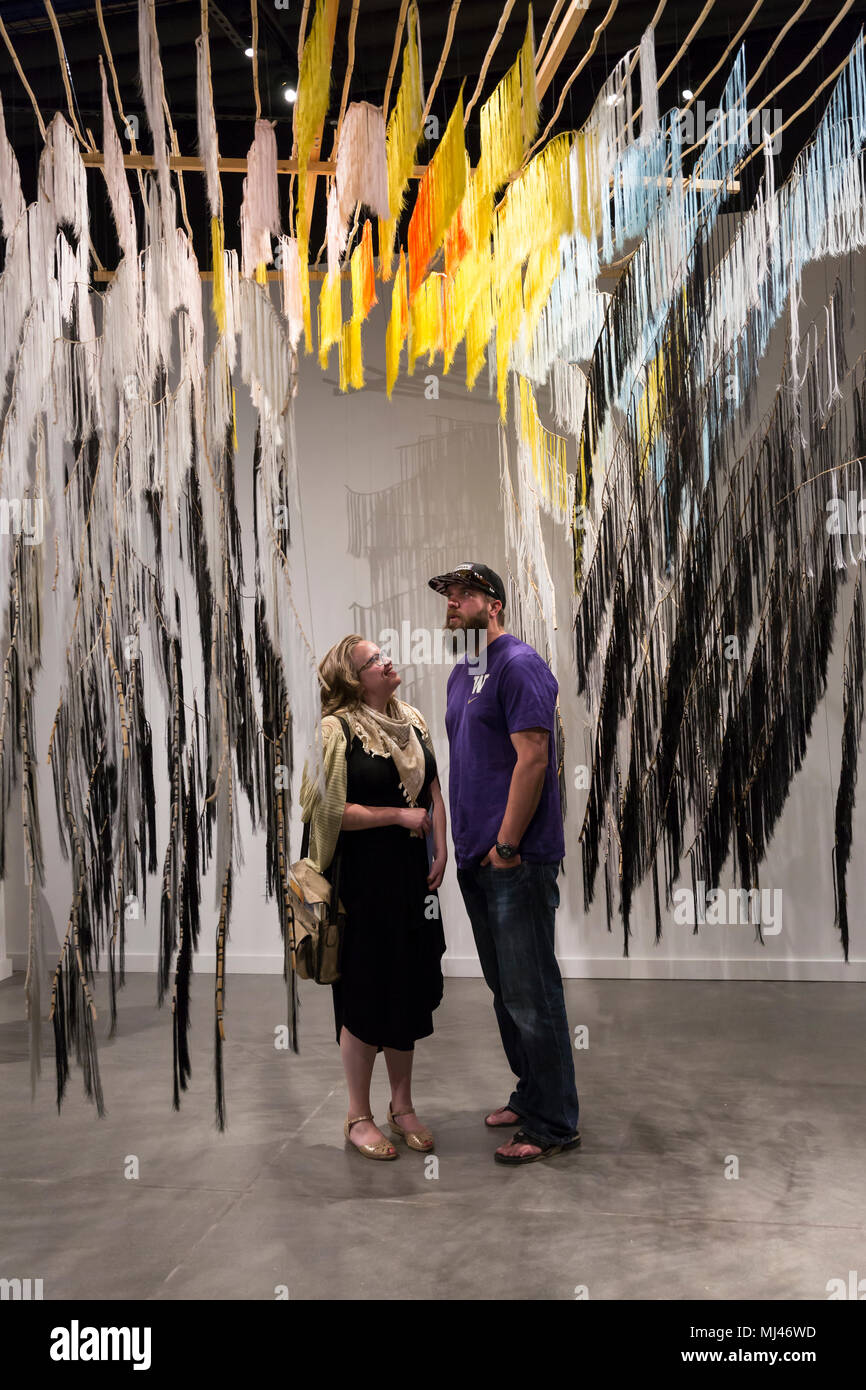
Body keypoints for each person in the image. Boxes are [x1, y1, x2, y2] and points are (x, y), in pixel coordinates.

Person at [429, 562, 581, 1165]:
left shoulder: (519, 665)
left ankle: (553, 1120)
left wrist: (508, 846)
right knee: (504, 989)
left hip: (514, 861)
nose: (451, 605)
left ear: (493, 605)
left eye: (462, 595)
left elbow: (534, 759)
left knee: (531, 990)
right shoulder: (462, 673)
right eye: (447, 597)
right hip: (477, 859)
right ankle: (530, 1091)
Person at [299, 635, 447, 1160]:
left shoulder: (410, 719)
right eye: (375, 660)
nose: (388, 661)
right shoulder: (336, 731)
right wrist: (397, 817)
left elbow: (432, 790)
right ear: (355, 678)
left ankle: (402, 1106)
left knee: (406, 984)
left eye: (385, 655)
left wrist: (439, 846)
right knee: (363, 992)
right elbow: (328, 813)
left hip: (409, 878)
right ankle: (357, 1114)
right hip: (360, 883)